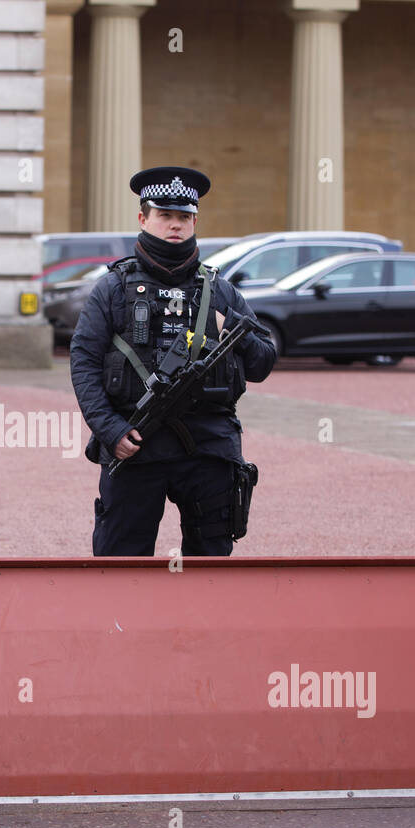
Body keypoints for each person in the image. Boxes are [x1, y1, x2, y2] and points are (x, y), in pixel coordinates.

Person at [70, 166, 276, 556]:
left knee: (210, 565)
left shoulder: (221, 291)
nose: (175, 226)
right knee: (121, 562)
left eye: (184, 217)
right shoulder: (113, 288)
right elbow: (84, 364)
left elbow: (263, 362)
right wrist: (110, 430)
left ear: (195, 221)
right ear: (143, 218)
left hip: (209, 448)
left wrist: (228, 325)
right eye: (164, 215)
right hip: (135, 444)